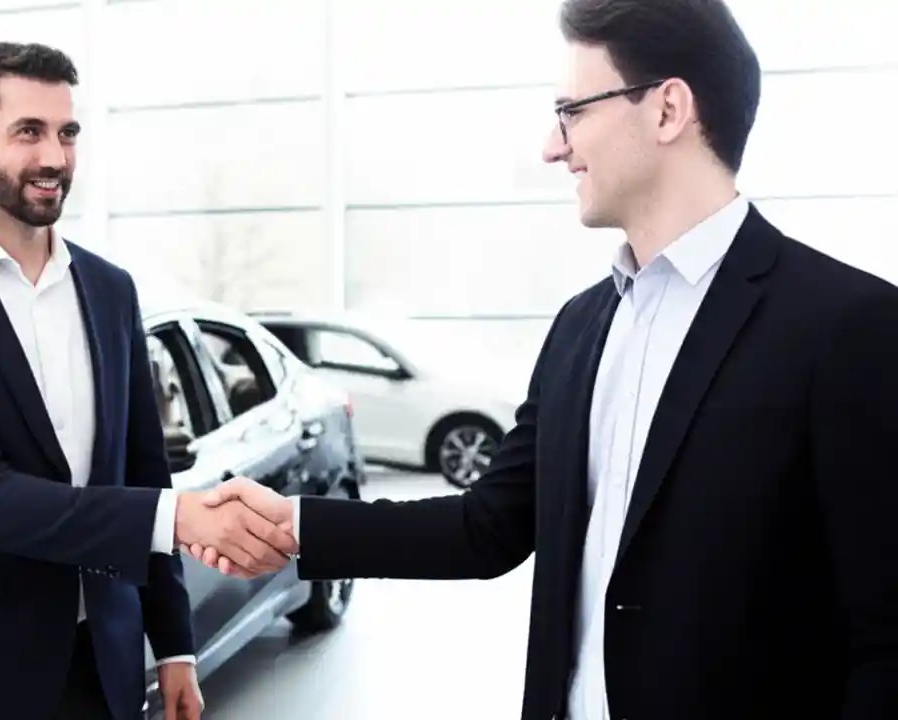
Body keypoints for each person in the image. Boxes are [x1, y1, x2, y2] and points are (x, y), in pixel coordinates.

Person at [188, 1, 898, 718]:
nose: (553, 148)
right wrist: (293, 527)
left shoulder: (849, 327)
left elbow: (887, 636)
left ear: (668, 109)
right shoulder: (581, 326)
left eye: (572, 111)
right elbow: (489, 524)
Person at [0, 41, 297, 720]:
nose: (55, 158)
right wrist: (177, 519)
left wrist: (174, 646)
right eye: (28, 132)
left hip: (104, 663)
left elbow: (142, 470)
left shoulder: (109, 290)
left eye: (67, 133)